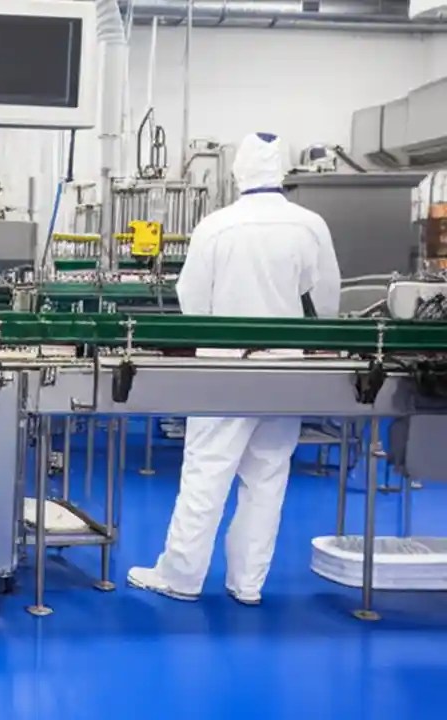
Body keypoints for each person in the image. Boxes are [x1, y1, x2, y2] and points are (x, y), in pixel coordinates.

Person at [127, 132, 341, 606]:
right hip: (287, 370)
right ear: (281, 170)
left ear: (238, 172)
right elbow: (325, 299)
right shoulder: (309, 225)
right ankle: (248, 583)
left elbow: (191, 300)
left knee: (207, 472)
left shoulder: (217, 226)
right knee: (267, 475)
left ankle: (181, 577)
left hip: (224, 368)